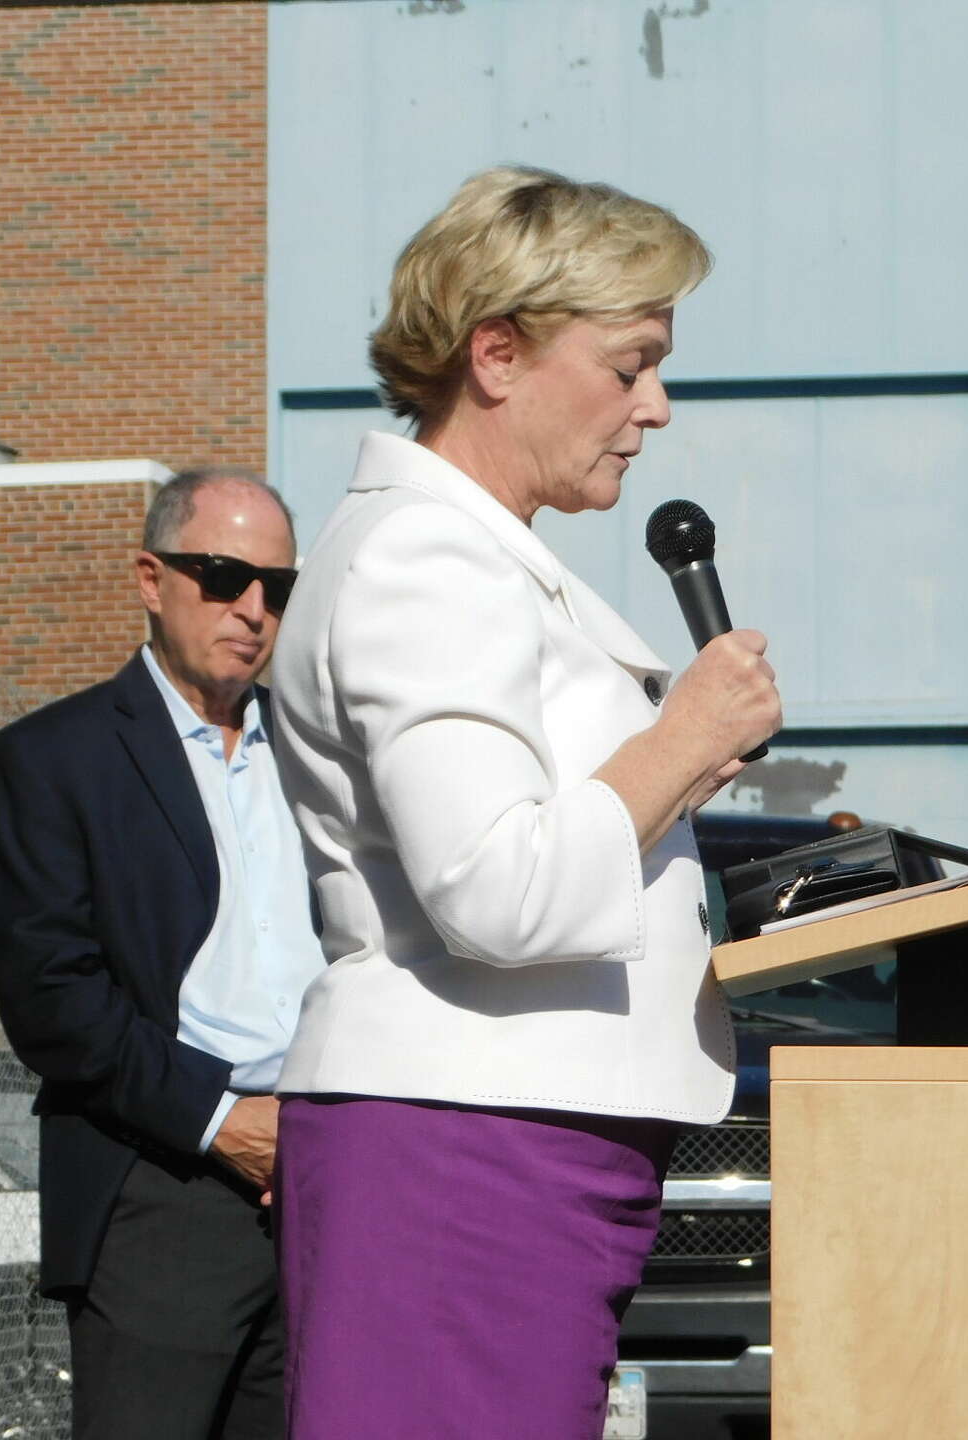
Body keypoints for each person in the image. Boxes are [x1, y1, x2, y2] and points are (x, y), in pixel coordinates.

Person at [266, 166, 783, 1438]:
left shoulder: (471, 553)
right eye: (630, 365)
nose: (655, 406)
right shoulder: (428, 557)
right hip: (469, 1154)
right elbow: (497, 888)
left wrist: (680, 764)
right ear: (496, 354)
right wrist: (683, 741)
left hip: (505, 1140)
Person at [0, 467, 319, 1440]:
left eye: (277, 589)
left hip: (319, 1185)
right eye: (222, 576)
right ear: (149, 577)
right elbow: (53, 1001)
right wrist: (222, 1120)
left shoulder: (322, 758)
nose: (253, 610)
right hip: (163, 1189)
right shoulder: (53, 759)